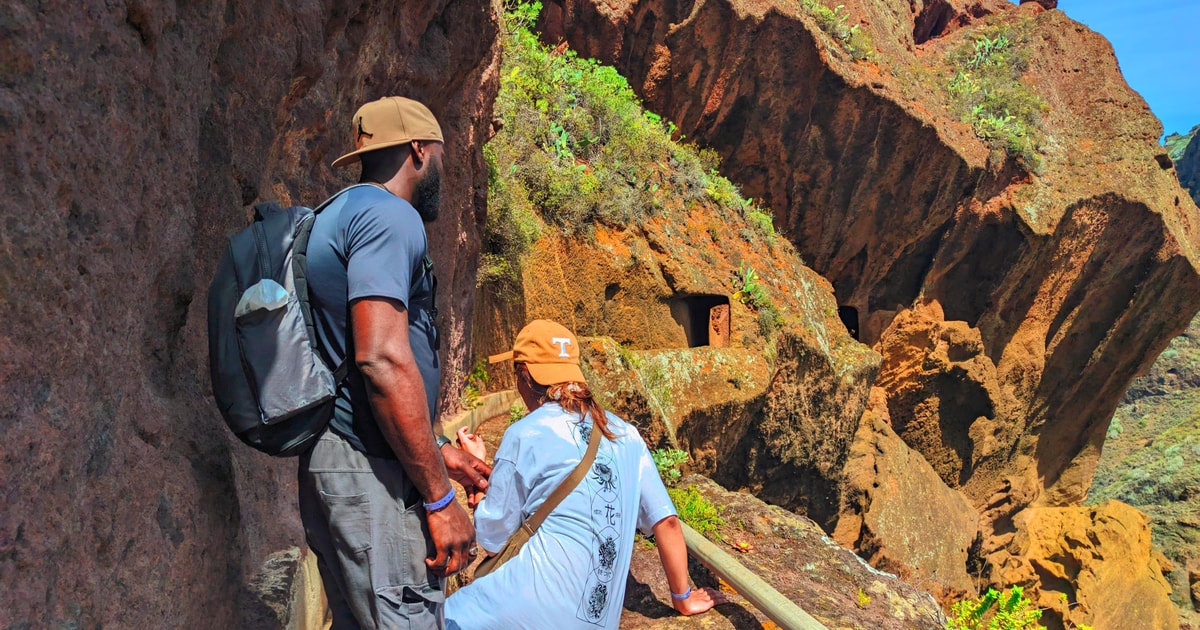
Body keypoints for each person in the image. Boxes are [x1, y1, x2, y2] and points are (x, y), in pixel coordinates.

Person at [300, 96, 492, 629]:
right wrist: (437, 499)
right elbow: (381, 358)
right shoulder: (390, 217)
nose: (443, 170)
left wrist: (435, 450)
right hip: (370, 475)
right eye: (441, 156)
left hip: (341, 457)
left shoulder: (338, 212)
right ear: (418, 151)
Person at [445, 320, 723, 629]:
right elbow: (667, 522)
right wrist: (682, 597)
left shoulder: (524, 433)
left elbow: (494, 540)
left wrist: (477, 470)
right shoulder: (625, 434)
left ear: (524, 375)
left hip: (519, 609)